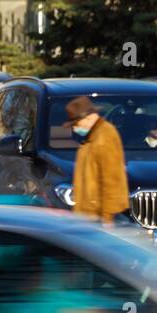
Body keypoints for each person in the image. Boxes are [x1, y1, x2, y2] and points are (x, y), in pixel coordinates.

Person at [64, 96, 129, 225]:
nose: (74, 128)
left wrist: (107, 218)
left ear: (87, 118)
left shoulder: (105, 135)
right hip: (89, 215)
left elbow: (111, 178)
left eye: (76, 124)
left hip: (99, 216)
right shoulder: (92, 136)